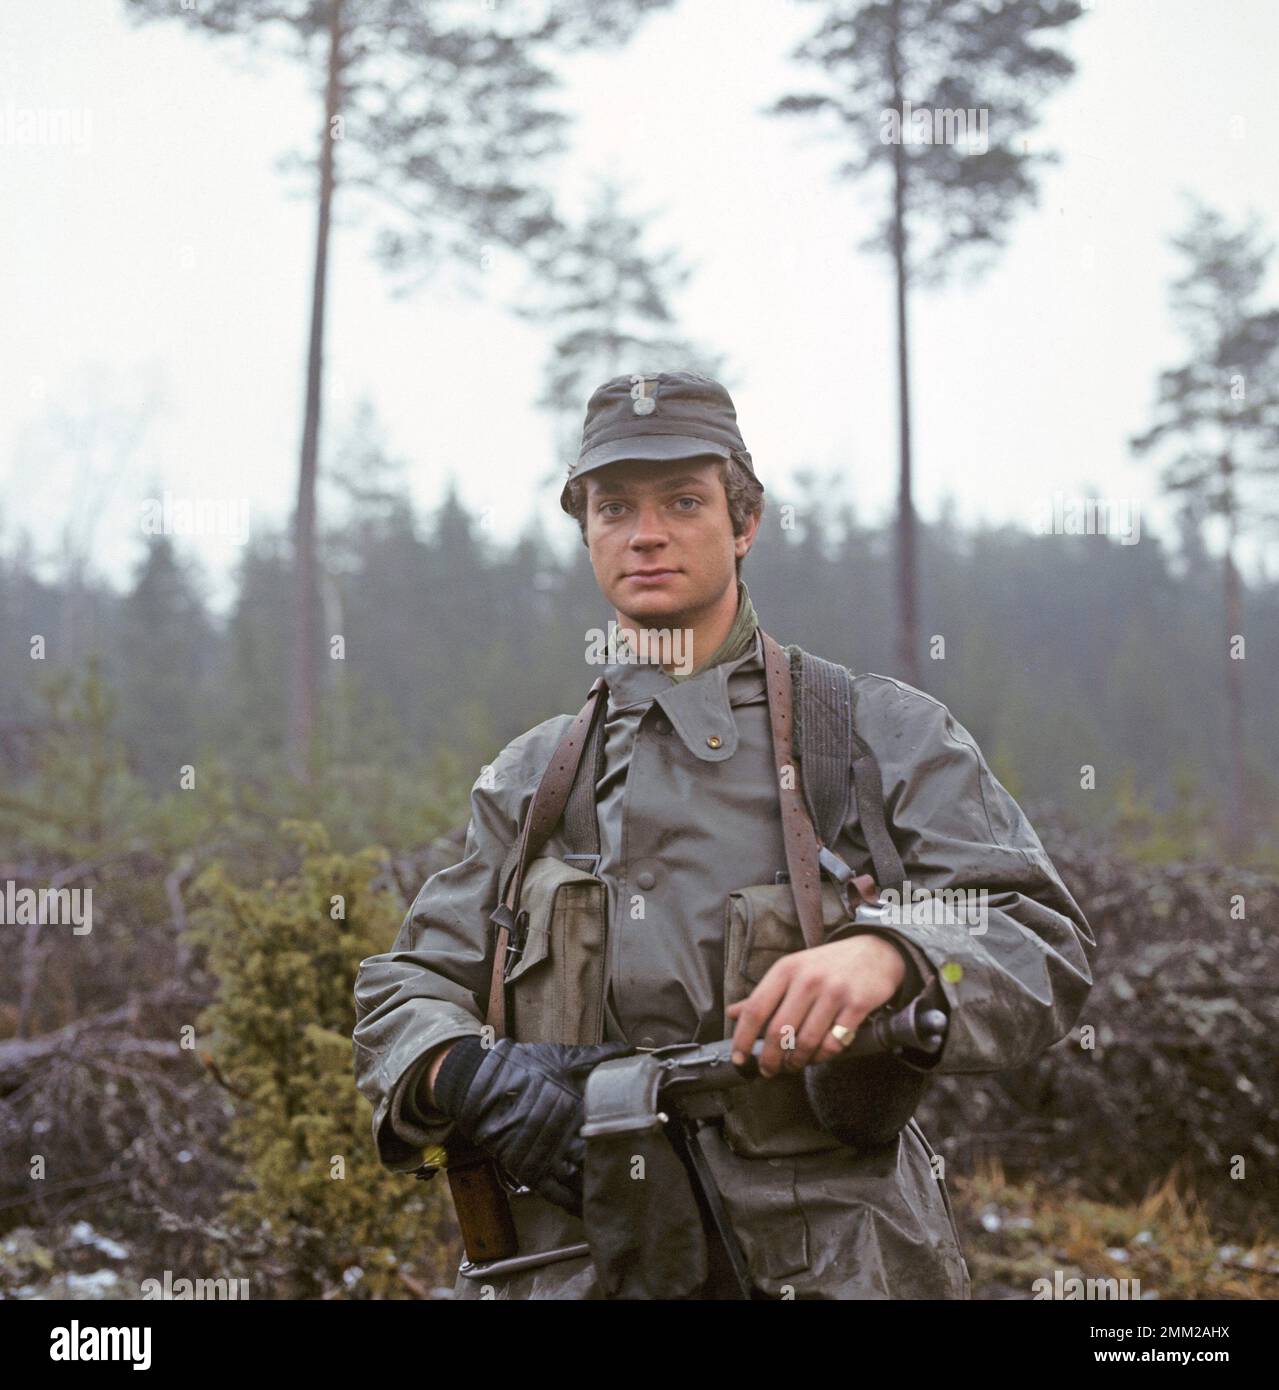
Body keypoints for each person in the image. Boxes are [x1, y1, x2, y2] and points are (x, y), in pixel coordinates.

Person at [352, 370, 1095, 1299]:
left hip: (826, 1263)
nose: (646, 532)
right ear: (586, 533)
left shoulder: (872, 737)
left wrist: (894, 956)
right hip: (575, 1263)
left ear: (743, 524)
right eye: (613, 506)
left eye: (684, 501)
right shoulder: (533, 778)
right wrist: (464, 1072)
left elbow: (1036, 939)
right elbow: (408, 982)